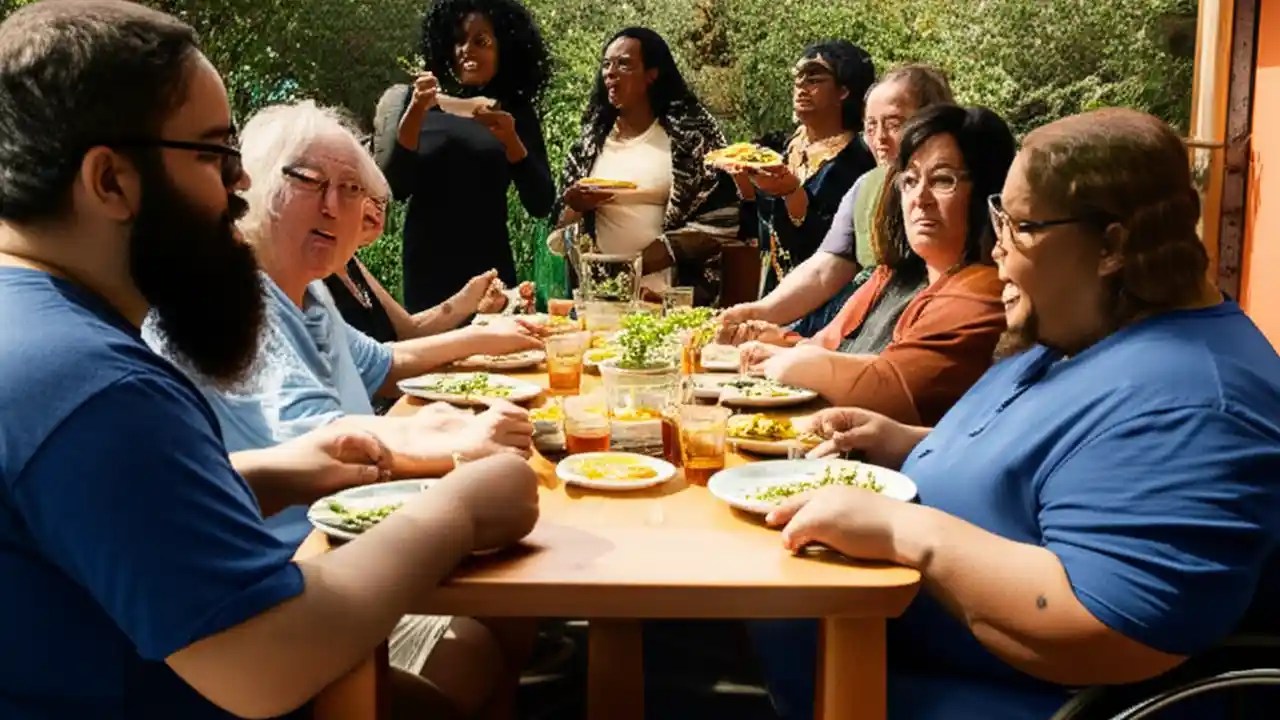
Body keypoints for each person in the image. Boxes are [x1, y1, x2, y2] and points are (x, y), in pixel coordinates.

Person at [0, 2, 538, 718]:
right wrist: (462, 511)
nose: (242, 187)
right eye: (218, 156)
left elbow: (109, 513)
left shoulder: (37, 331)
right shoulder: (93, 387)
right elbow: (266, 664)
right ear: (111, 182)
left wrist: (274, 472)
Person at [752, 108, 1280, 720]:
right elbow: (1069, 464)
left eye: (1019, 227)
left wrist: (906, 533)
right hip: (859, 634)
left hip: (978, 693)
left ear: (1110, 245)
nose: (996, 248)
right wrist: (908, 444)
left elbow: (1102, 633)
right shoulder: (1092, 328)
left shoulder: (1195, 405)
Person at [145, 99, 541, 545]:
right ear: (252, 184)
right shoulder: (231, 299)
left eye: (351, 188)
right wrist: (458, 438)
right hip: (302, 560)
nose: (333, 206)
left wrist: (480, 340)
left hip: (357, 527)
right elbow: (322, 436)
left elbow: (382, 363)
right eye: (310, 182)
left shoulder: (308, 293)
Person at [724, 105, 1014, 426]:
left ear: (989, 191)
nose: (920, 197)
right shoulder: (893, 274)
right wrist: (780, 341)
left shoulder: (982, 292)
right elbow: (828, 347)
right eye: (911, 180)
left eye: (943, 180)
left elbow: (889, 390)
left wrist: (795, 359)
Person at [721, 64, 954, 335]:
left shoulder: (956, 190)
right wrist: (759, 311)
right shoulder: (867, 186)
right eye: (870, 125)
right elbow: (825, 270)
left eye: (894, 124)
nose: (879, 138)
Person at [375, 0, 555, 313]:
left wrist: (512, 141)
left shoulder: (515, 112)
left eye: (480, 41)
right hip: (427, 270)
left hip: (489, 266)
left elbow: (541, 203)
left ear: (505, 48)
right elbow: (396, 188)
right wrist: (416, 110)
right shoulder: (418, 103)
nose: (466, 50)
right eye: (458, 40)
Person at [548, 26, 739, 305]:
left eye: (624, 64)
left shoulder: (692, 136)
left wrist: (641, 262)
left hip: (673, 297)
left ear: (652, 74)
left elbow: (722, 219)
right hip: (602, 298)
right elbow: (558, 236)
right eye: (606, 65)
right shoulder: (590, 143)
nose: (610, 72)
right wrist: (575, 206)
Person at [729, 40, 877, 299]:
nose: (801, 87)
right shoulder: (778, 150)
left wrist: (792, 194)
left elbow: (828, 250)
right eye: (798, 78)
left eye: (814, 80)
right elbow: (757, 234)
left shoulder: (858, 163)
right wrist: (746, 188)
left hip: (827, 305)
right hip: (774, 298)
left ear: (844, 90)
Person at [325, 196, 530, 346]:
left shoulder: (349, 261)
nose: (377, 211)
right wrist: (480, 334)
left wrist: (469, 300)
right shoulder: (314, 274)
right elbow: (382, 365)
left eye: (380, 200)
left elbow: (410, 330)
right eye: (355, 190)